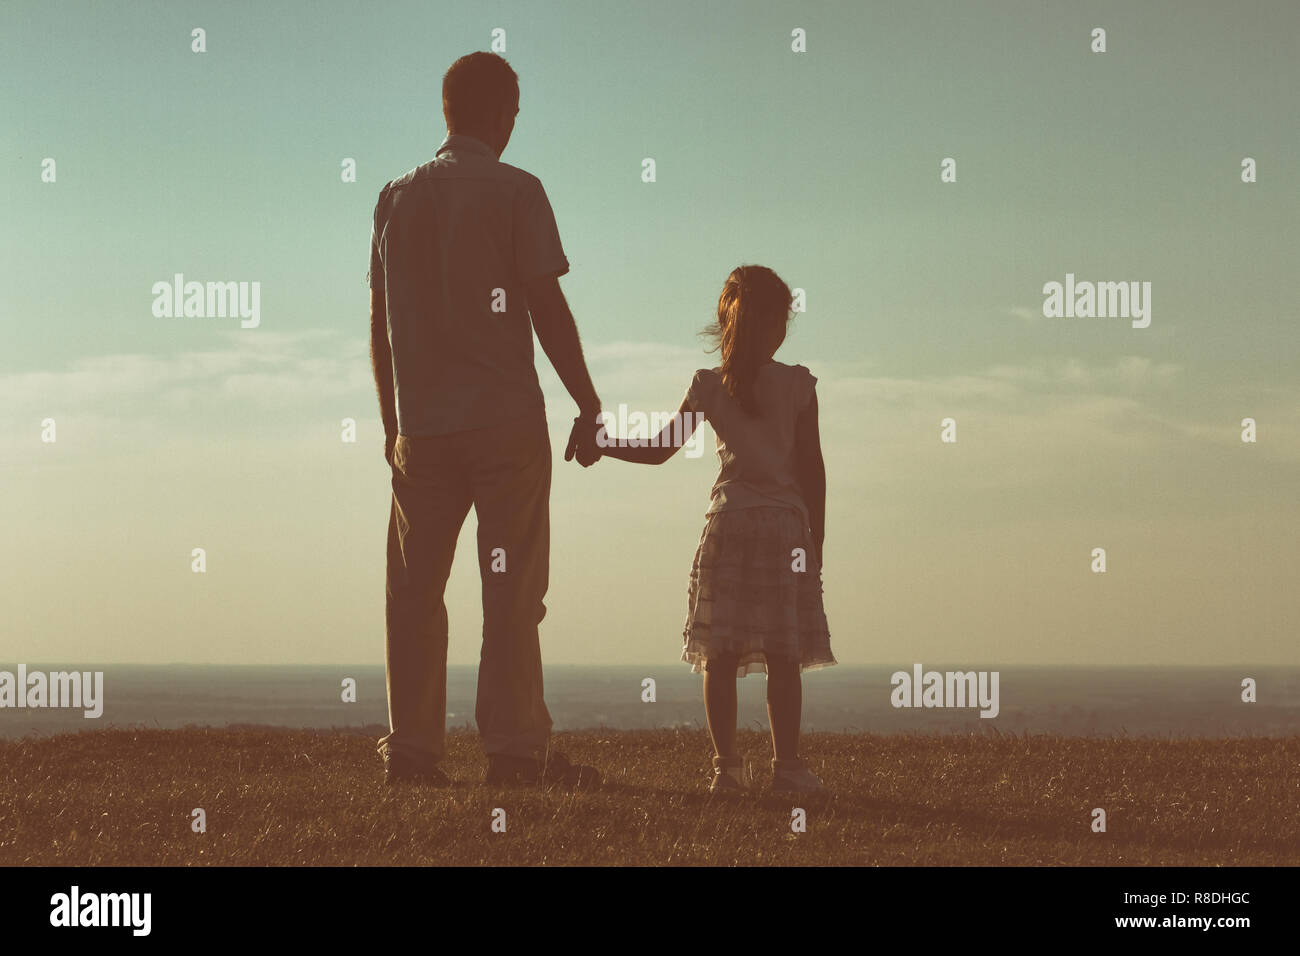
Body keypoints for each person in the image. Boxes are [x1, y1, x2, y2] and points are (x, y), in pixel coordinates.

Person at [367, 51, 603, 787]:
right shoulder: (517, 191)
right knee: (510, 590)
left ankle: (412, 749)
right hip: (503, 423)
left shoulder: (395, 198)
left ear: (446, 111)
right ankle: (511, 750)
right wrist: (588, 403)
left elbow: (380, 323)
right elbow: (546, 307)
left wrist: (390, 423)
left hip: (423, 428)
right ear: (500, 112)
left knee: (414, 593)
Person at [597, 264, 835, 794]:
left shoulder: (709, 386)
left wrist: (605, 443)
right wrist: (815, 537)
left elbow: (660, 450)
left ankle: (726, 768)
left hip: (728, 525)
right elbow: (812, 468)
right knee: (783, 654)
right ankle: (787, 767)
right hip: (783, 528)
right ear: (775, 325)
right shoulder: (799, 385)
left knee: (720, 654)